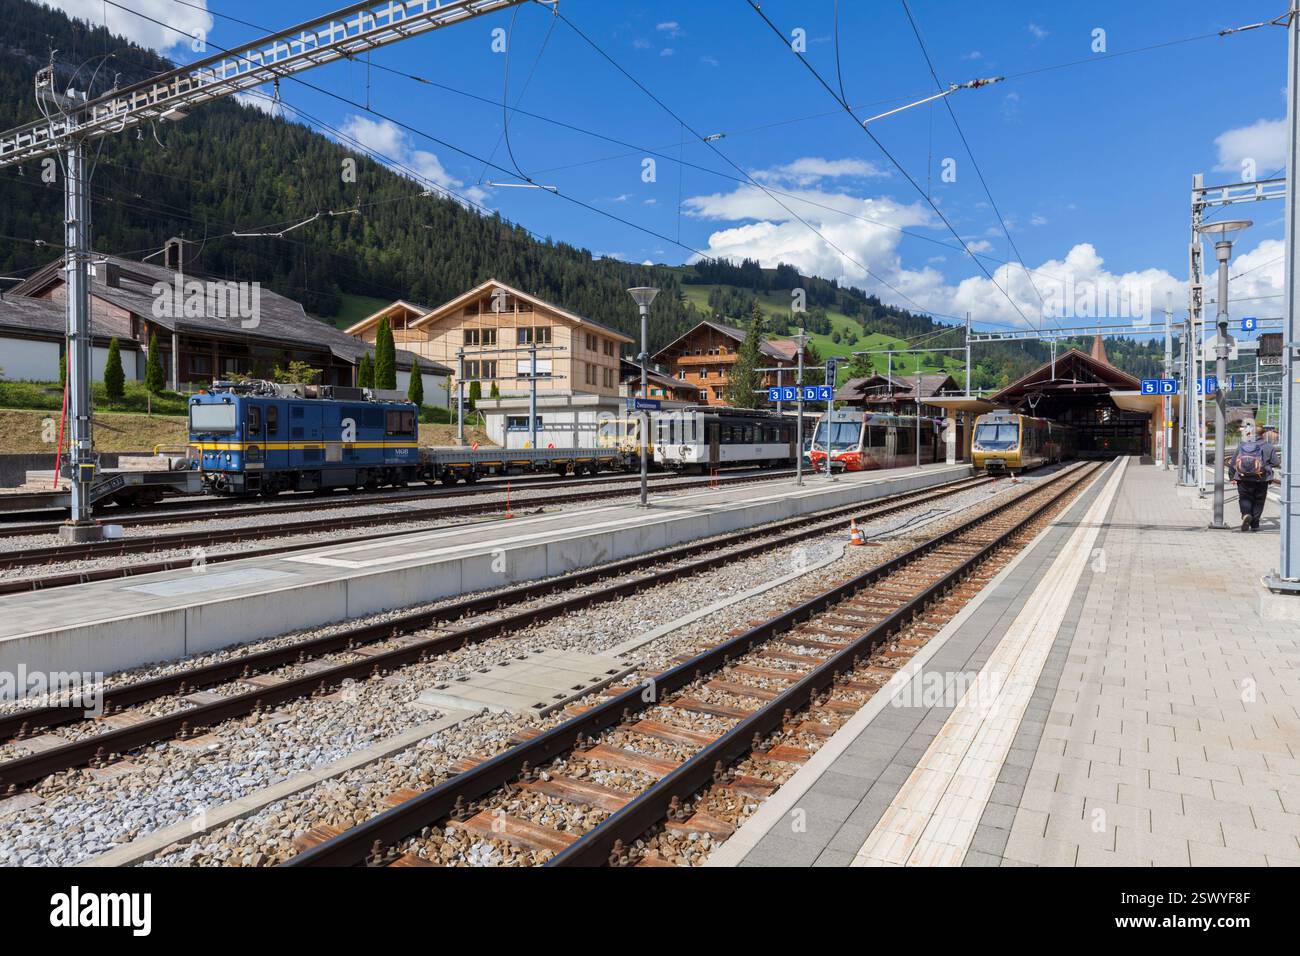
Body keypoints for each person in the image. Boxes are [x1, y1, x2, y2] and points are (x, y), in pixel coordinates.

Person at [1228, 421, 1280, 532]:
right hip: (1262, 478)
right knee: (1259, 500)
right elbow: (1276, 462)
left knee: (1245, 497)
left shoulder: (1243, 444)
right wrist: (1266, 466)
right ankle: (1255, 524)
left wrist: (1232, 477)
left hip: (1242, 477)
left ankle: (1246, 514)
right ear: (1263, 434)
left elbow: (1233, 462)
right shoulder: (1268, 446)